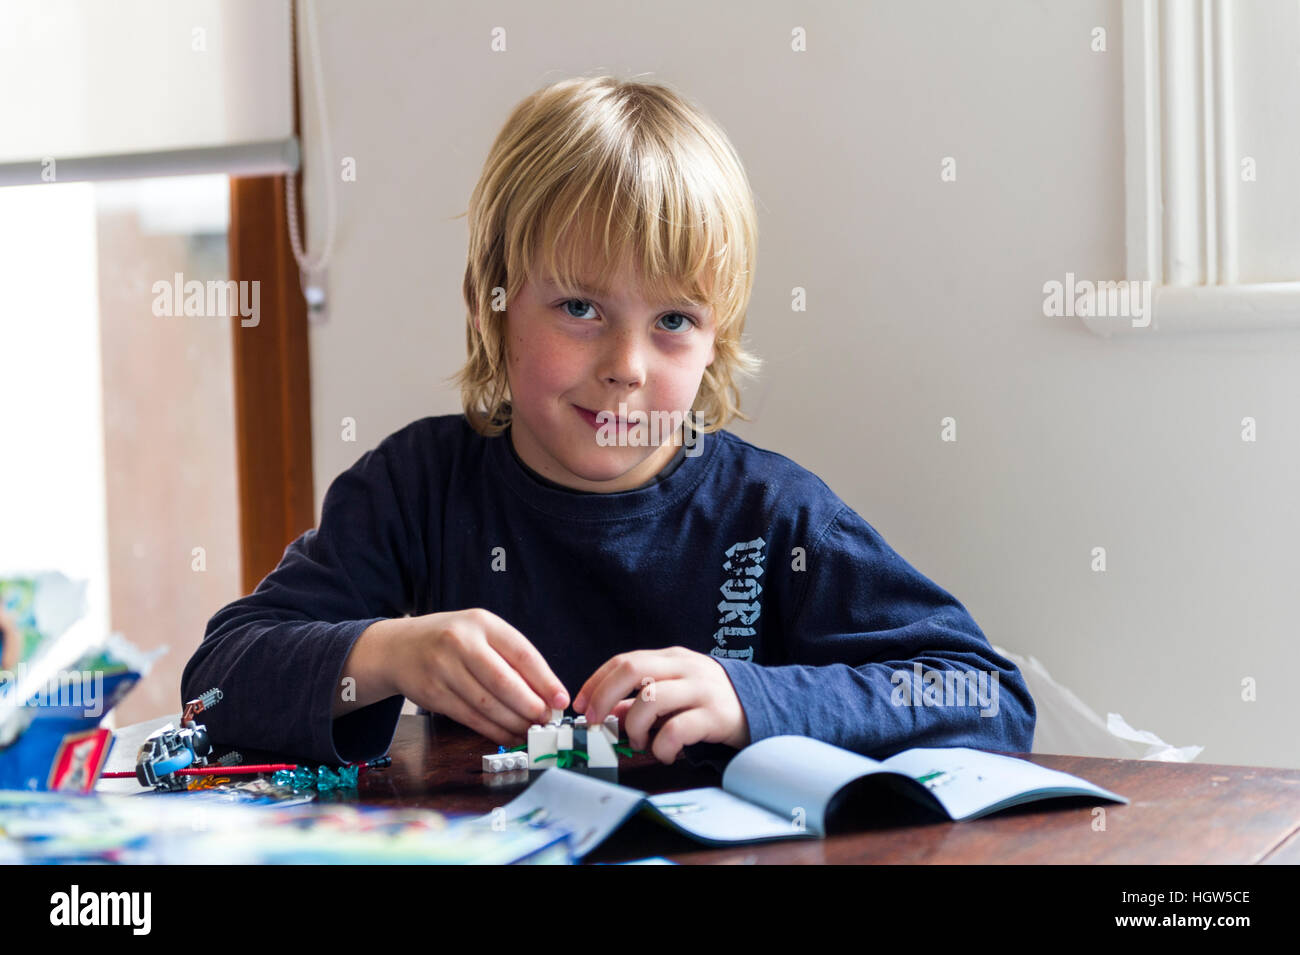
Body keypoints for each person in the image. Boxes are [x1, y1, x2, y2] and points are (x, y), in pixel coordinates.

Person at [182, 75, 1035, 768]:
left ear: (715, 343)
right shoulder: (414, 489)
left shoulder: (774, 514)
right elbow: (214, 685)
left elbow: (985, 695)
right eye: (580, 306)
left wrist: (752, 698)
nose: (627, 364)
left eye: (673, 321)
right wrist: (389, 653)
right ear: (492, 307)